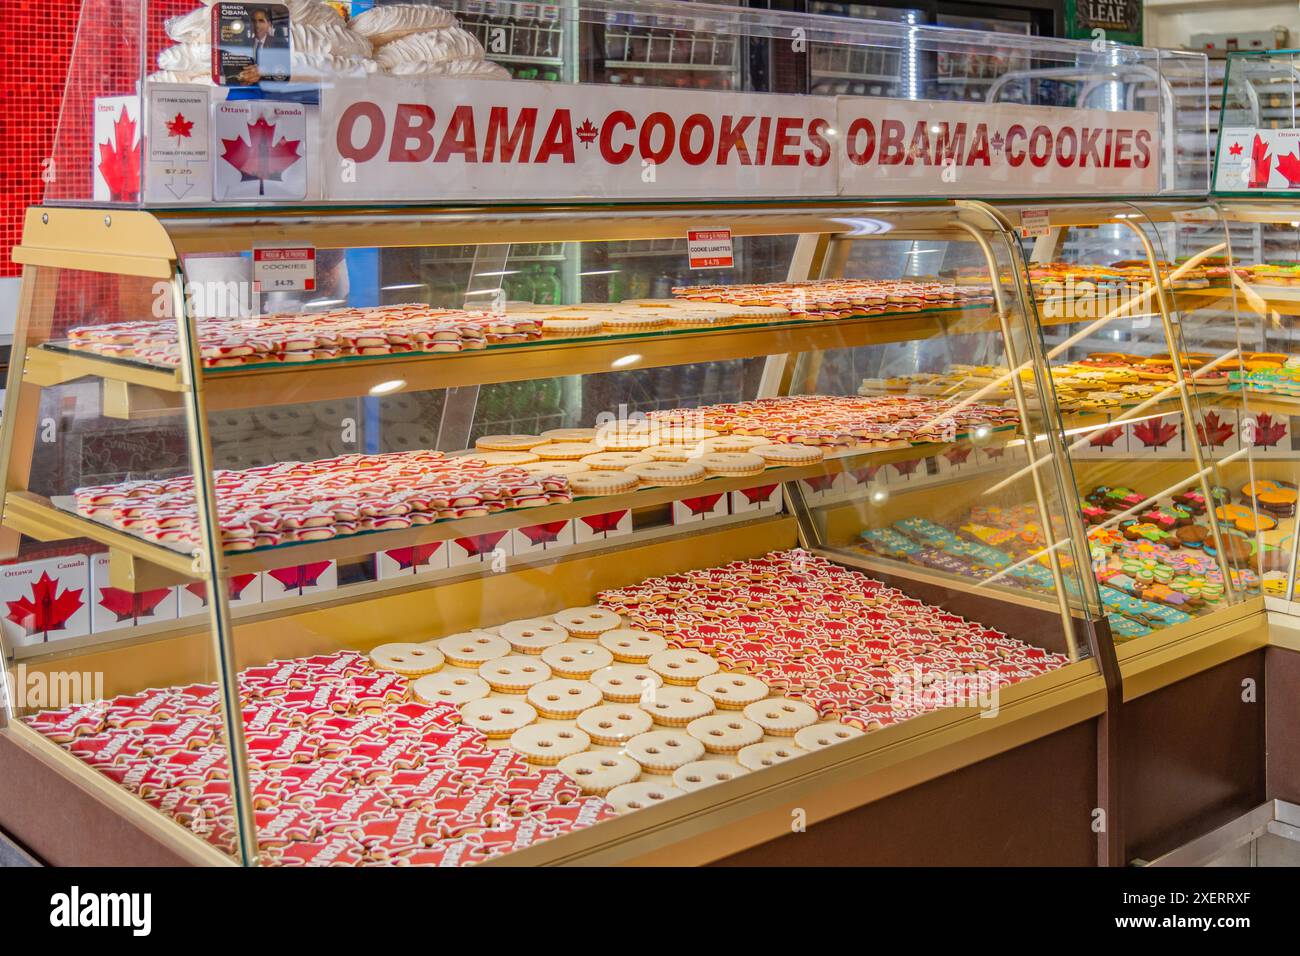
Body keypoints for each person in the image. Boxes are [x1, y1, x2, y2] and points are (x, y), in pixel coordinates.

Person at [237, 7, 290, 85]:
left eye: (261, 21)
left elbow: (286, 67)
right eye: (254, 21)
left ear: (269, 24)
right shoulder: (244, 44)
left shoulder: (280, 43)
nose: (257, 25)